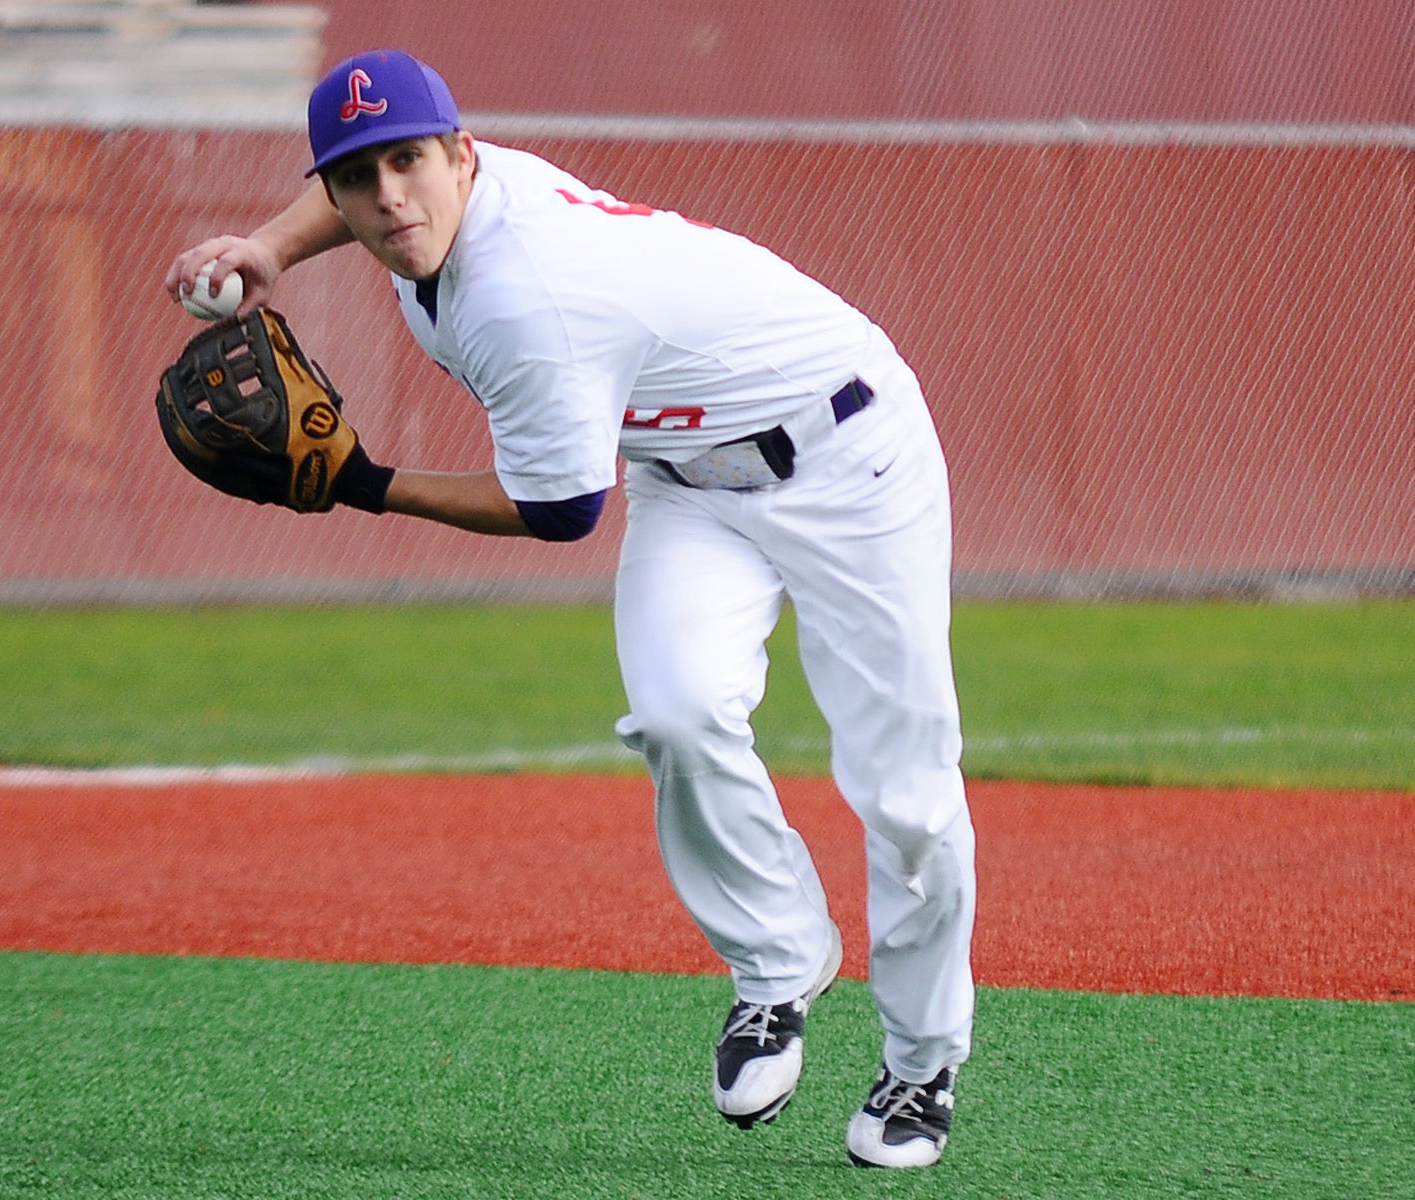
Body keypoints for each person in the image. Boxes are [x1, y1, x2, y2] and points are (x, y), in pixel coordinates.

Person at [164, 49, 976, 1169]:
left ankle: (923, 1063)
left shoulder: (522, 297)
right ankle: (778, 965)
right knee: (680, 712)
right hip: (689, 478)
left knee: (908, 788)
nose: (389, 197)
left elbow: (557, 513)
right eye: (360, 177)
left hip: (850, 456)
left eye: (410, 162)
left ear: (462, 154)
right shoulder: (417, 213)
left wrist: (360, 483)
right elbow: (351, 187)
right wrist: (265, 247)